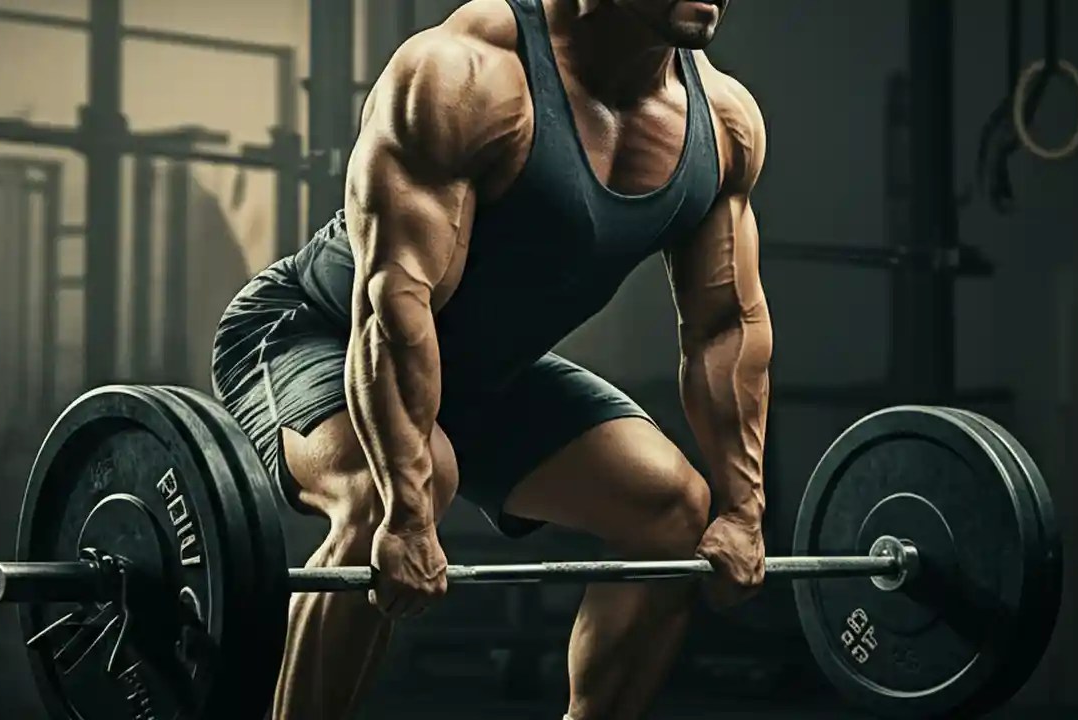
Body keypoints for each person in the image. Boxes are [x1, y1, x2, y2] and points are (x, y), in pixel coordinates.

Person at [210, 0, 770, 717]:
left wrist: (743, 510)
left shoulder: (723, 125)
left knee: (673, 512)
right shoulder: (466, 76)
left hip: (481, 370)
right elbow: (394, 305)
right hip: (315, 330)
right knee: (392, 491)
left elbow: (726, 324)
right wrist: (408, 514)